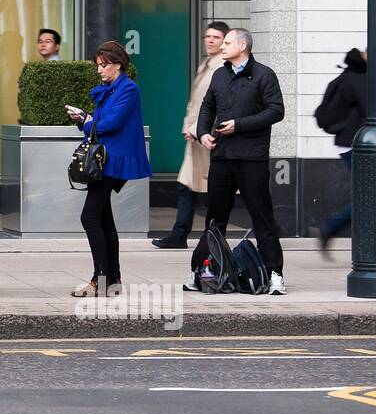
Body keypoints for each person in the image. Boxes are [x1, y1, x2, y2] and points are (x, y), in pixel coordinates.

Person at [196, 27, 287, 295]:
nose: (222, 47)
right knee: (215, 218)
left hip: (251, 157)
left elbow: (276, 111)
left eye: (227, 42)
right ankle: (206, 271)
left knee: (262, 218)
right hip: (222, 156)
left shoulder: (264, 75)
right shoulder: (219, 74)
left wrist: (240, 125)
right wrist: (203, 133)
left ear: (243, 46)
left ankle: (274, 274)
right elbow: (207, 106)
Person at [67, 41, 151, 297]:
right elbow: (100, 122)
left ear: (118, 64)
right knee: (103, 218)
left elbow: (110, 124)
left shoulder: (128, 89)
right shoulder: (110, 89)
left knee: (90, 217)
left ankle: (100, 278)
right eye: (98, 66)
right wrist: (86, 119)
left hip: (114, 161)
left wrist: (86, 120)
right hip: (105, 159)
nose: (99, 70)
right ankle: (112, 279)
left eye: (104, 65)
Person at [153, 21, 228, 249]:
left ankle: (209, 234)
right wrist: (189, 126)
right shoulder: (206, 65)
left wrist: (197, 128)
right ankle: (180, 234)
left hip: (209, 136)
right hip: (196, 135)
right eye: (207, 36)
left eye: (215, 37)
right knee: (187, 185)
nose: (210, 41)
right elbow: (195, 102)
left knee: (211, 188)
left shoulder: (221, 67)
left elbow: (216, 105)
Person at [314, 48, 369, 253]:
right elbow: (372, 112)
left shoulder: (346, 76)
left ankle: (334, 229)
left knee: (367, 194)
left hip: (346, 142)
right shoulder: (360, 79)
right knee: (369, 196)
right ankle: (331, 227)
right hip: (357, 144)